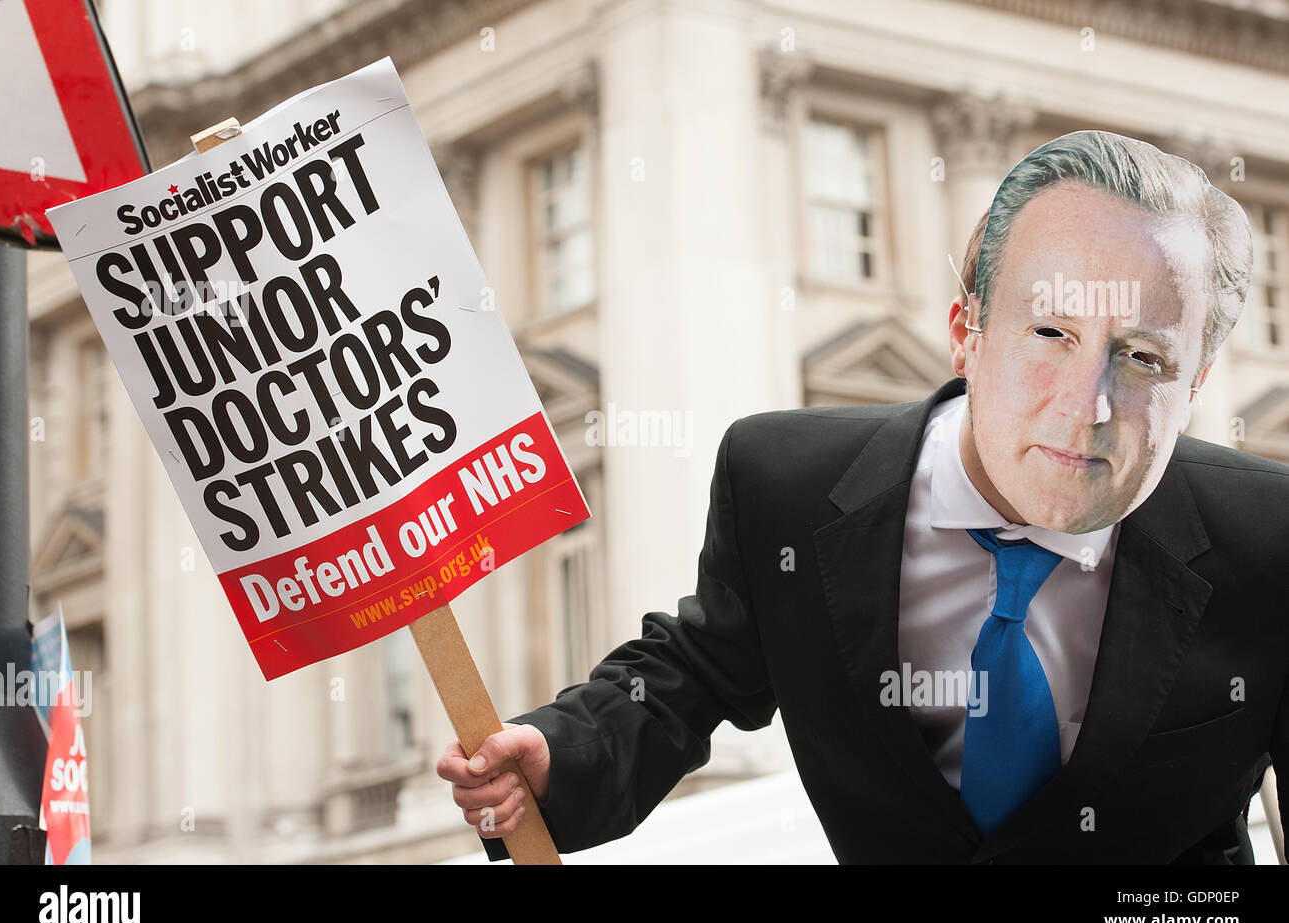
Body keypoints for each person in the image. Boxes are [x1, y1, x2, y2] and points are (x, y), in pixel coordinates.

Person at [437, 129, 1289, 863]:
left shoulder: (1272, 539)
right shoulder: (786, 489)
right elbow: (689, 675)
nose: (1086, 405)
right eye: (1050, 333)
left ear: (1200, 379)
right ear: (967, 331)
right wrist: (560, 752)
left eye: (1143, 357)